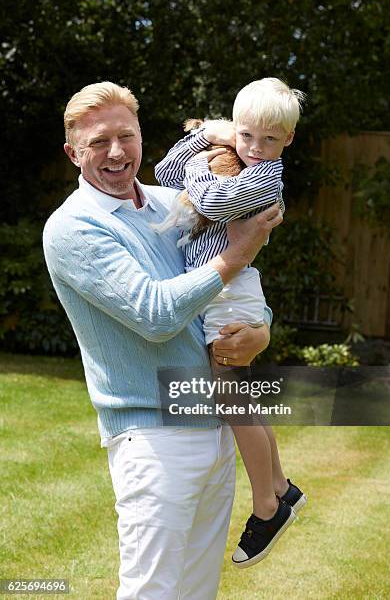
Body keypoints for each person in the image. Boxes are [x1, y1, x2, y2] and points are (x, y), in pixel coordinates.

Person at [42, 81, 283, 600]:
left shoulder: (166, 202)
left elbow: (226, 290)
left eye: (126, 137)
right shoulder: (73, 229)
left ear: (141, 138)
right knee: (151, 592)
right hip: (152, 439)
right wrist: (235, 256)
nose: (115, 152)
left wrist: (259, 330)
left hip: (214, 427)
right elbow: (156, 314)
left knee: (197, 592)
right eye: (98, 142)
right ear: (72, 153)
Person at [154, 78, 307, 568]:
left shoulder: (266, 177)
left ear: (287, 141)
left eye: (269, 139)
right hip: (218, 285)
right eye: (246, 135)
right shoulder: (233, 151)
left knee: (230, 396)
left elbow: (214, 203)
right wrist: (211, 136)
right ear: (234, 128)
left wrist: (203, 163)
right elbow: (164, 166)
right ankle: (282, 486)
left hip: (231, 288)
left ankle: (267, 504)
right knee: (236, 394)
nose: (256, 148)